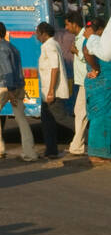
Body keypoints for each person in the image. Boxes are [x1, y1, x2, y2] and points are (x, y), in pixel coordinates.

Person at [0, 22, 37, 161]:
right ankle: (30, 152)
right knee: (20, 117)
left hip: (7, 86)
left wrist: (10, 91)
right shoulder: (13, 47)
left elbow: (7, 70)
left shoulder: (1, 48)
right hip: (18, 85)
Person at [35, 21, 72, 162]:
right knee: (47, 121)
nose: (36, 36)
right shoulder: (49, 45)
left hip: (52, 92)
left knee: (61, 118)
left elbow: (54, 68)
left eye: (38, 33)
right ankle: (51, 151)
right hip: (47, 92)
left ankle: (88, 137)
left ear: (44, 33)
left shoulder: (49, 46)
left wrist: (51, 91)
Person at [82, 17, 111, 165]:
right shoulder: (94, 41)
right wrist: (96, 68)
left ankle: (101, 152)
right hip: (101, 83)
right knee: (102, 117)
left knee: (100, 116)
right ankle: (98, 153)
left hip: (100, 83)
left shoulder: (98, 41)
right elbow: (87, 52)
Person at [66, 10, 90, 158]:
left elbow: (88, 56)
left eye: (67, 25)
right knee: (80, 112)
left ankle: (77, 145)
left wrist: (76, 52)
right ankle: (77, 144)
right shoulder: (79, 37)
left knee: (81, 112)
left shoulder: (83, 39)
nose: (67, 28)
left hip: (86, 80)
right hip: (82, 80)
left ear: (74, 24)